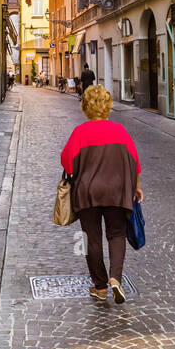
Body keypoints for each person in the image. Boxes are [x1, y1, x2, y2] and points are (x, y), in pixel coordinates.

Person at [60, 84, 142, 304]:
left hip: (88, 193)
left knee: (91, 239)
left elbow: (66, 162)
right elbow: (134, 162)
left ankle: (100, 287)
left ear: (85, 107)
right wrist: (136, 186)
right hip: (117, 191)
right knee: (117, 234)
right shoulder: (120, 131)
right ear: (108, 106)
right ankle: (116, 278)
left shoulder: (80, 133)